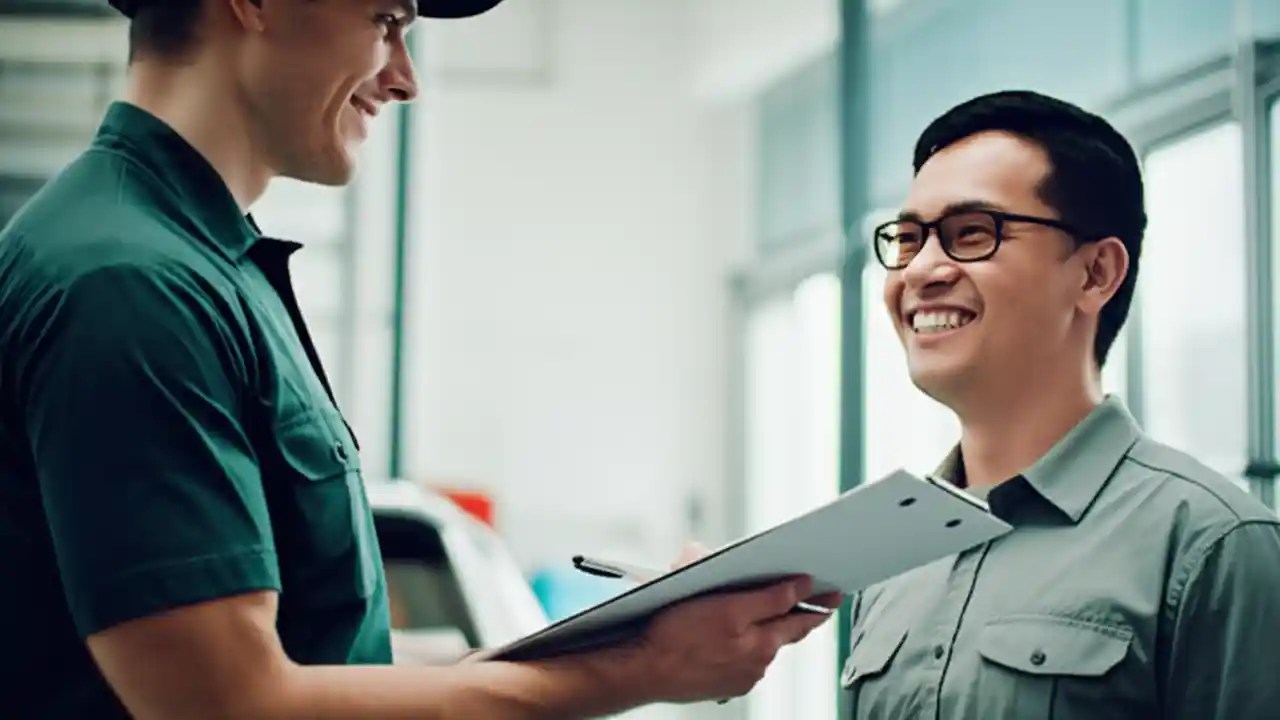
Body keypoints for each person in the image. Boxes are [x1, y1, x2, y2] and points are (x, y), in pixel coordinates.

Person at [0, 1, 839, 718]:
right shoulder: (131, 283)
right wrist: (642, 671)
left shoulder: (193, 263)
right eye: (387, 20)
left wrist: (635, 635)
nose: (405, 77)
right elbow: (227, 702)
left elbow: (324, 673)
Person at [844, 89, 1280, 719]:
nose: (920, 271)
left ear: (1096, 273)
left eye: (971, 233)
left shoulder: (1217, 548)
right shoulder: (893, 559)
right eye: (908, 240)